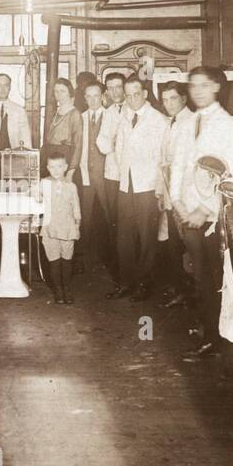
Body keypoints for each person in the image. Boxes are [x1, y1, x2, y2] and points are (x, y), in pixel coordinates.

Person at [169, 67, 233, 364]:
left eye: (204, 85)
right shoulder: (189, 123)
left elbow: (232, 175)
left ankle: (225, 347)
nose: (197, 91)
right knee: (200, 278)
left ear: (216, 87)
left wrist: (206, 209)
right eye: (193, 86)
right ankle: (210, 336)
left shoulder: (227, 126)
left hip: (214, 218)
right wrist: (177, 200)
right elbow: (178, 164)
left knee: (218, 280)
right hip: (188, 213)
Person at [101, 75, 168, 301]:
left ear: (145, 94)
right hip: (126, 184)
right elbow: (119, 148)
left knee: (147, 237)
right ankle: (126, 282)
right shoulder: (123, 117)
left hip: (147, 186)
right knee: (124, 236)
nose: (131, 99)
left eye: (136, 94)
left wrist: (159, 188)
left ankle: (144, 284)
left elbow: (163, 157)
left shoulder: (158, 119)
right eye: (128, 95)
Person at [156, 81, 195, 307]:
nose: (168, 104)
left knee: (186, 245)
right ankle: (180, 288)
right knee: (174, 244)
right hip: (171, 192)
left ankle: (190, 292)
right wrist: (161, 192)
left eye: (172, 98)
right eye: (165, 99)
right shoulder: (170, 123)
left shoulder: (190, 123)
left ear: (183, 99)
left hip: (185, 196)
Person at [36, 146, 81, 305]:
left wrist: (77, 226)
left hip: (67, 228)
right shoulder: (44, 183)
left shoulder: (71, 186)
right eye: (52, 167)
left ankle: (67, 288)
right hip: (50, 228)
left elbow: (76, 208)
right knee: (54, 261)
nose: (56, 170)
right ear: (47, 167)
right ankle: (58, 290)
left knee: (67, 260)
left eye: (59, 166)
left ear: (65, 167)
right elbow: (36, 199)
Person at [76, 80, 111, 277]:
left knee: (109, 216)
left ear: (103, 96)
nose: (92, 100)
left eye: (96, 96)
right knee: (84, 217)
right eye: (88, 96)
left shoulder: (111, 116)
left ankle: (111, 260)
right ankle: (83, 260)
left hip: (107, 175)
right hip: (86, 174)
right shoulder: (81, 118)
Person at [96, 71, 128, 287]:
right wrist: (115, 142)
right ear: (106, 92)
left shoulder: (131, 110)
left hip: (129, 176)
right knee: (113, 221)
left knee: (127, 224)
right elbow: (102, 144)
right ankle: (118, 271)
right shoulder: (108, 113)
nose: (116, 92)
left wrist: (114, 142)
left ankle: (127, 272)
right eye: (111, 88)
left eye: (119, 87)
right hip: (111, 174)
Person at [0, 72, 32, 171]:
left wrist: (26, 164)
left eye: (6, 85)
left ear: (10, 87)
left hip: (13, 161)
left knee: (10, 186)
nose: (3, 89)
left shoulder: (19, 111)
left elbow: (26, 140)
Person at [43, 77, 81, 179]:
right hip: (51, 156)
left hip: (65, 158)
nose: (59, 95)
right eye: (56, 91)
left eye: (62, 91)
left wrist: (71, 171)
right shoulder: (56, 112)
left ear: (70, 92)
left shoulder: (75, 114)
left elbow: (78, 145)